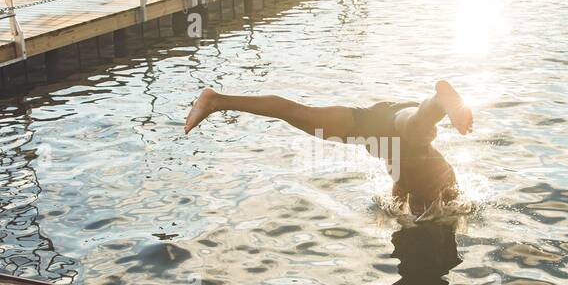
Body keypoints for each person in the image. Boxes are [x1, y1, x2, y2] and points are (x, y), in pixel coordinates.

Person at [184, 80, 473, 215]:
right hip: (399, 132)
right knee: (416, 129)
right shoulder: (433, 184)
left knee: (297, 113)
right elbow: (435, 195)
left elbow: (401, 192)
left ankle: (217, 100)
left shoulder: (410, 183)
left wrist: (394, 208)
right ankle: (440, 100)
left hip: (372, 123)